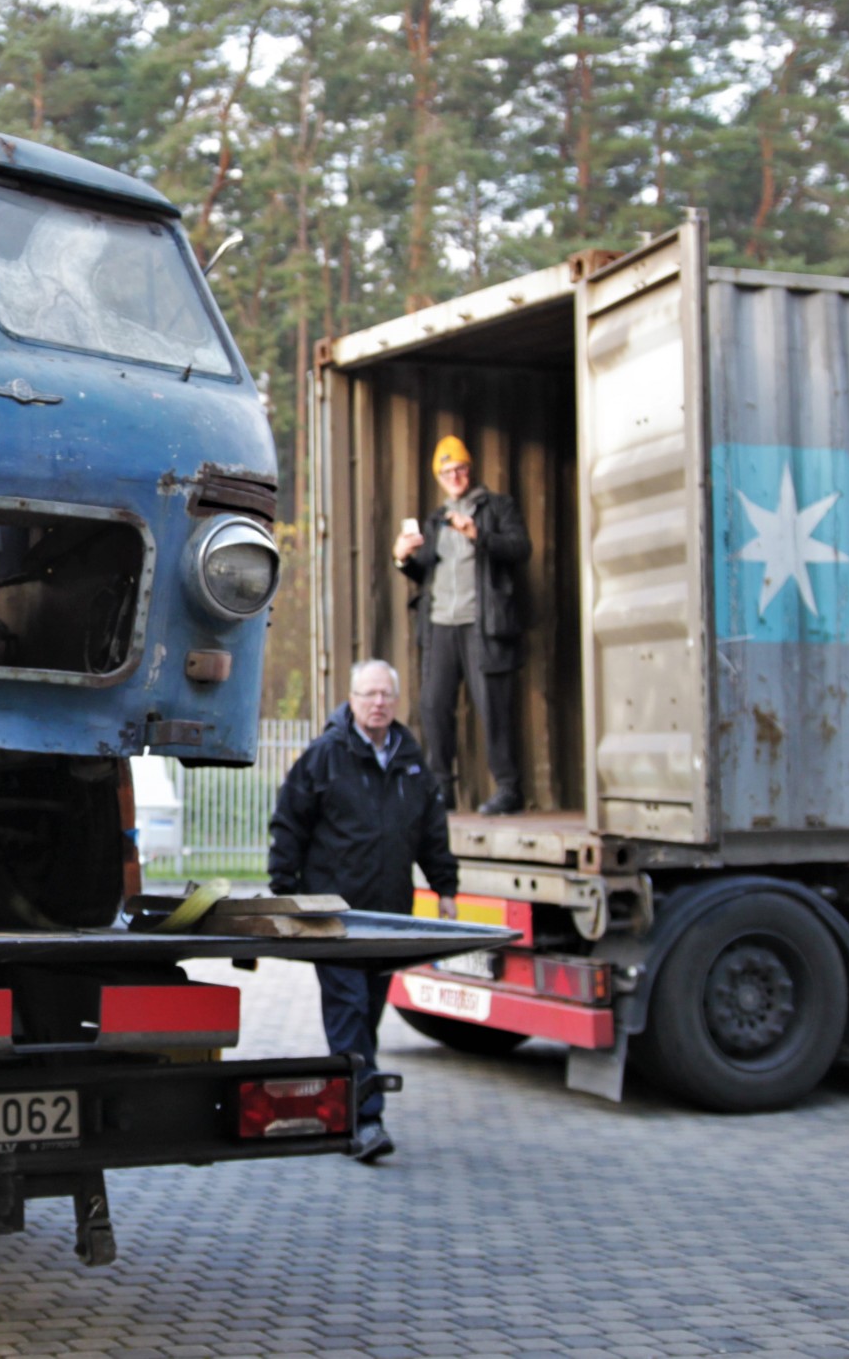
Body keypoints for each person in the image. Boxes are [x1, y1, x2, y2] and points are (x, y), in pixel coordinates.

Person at [267, 658, 459, 1163]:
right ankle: (365, 1120)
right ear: (351, 700)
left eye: (386, 695)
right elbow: (290, 822)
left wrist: (445, 887)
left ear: (396, 702)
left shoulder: (410, 759)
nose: (378, 703)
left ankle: (342, 1106)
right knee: (349, 1009)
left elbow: (431, 832)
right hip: (336, 915)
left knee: (367, 1013)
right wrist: (282, 888)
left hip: (389, 915)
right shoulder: (325, 756)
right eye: (368, 694)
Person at [392, 434, 531, 816]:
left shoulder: (497, 506)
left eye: (460, 469)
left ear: (471, 470)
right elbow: (425, 573)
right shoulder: (436, 518)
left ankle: (508, 789)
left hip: (483, 625)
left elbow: (521, 549)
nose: (454, 476)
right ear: (438, 476)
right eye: (446, 471)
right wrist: (402, 558)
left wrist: (478, 535)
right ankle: (440, 791)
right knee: (435, 707)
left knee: (494, 708)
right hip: (440, 625)